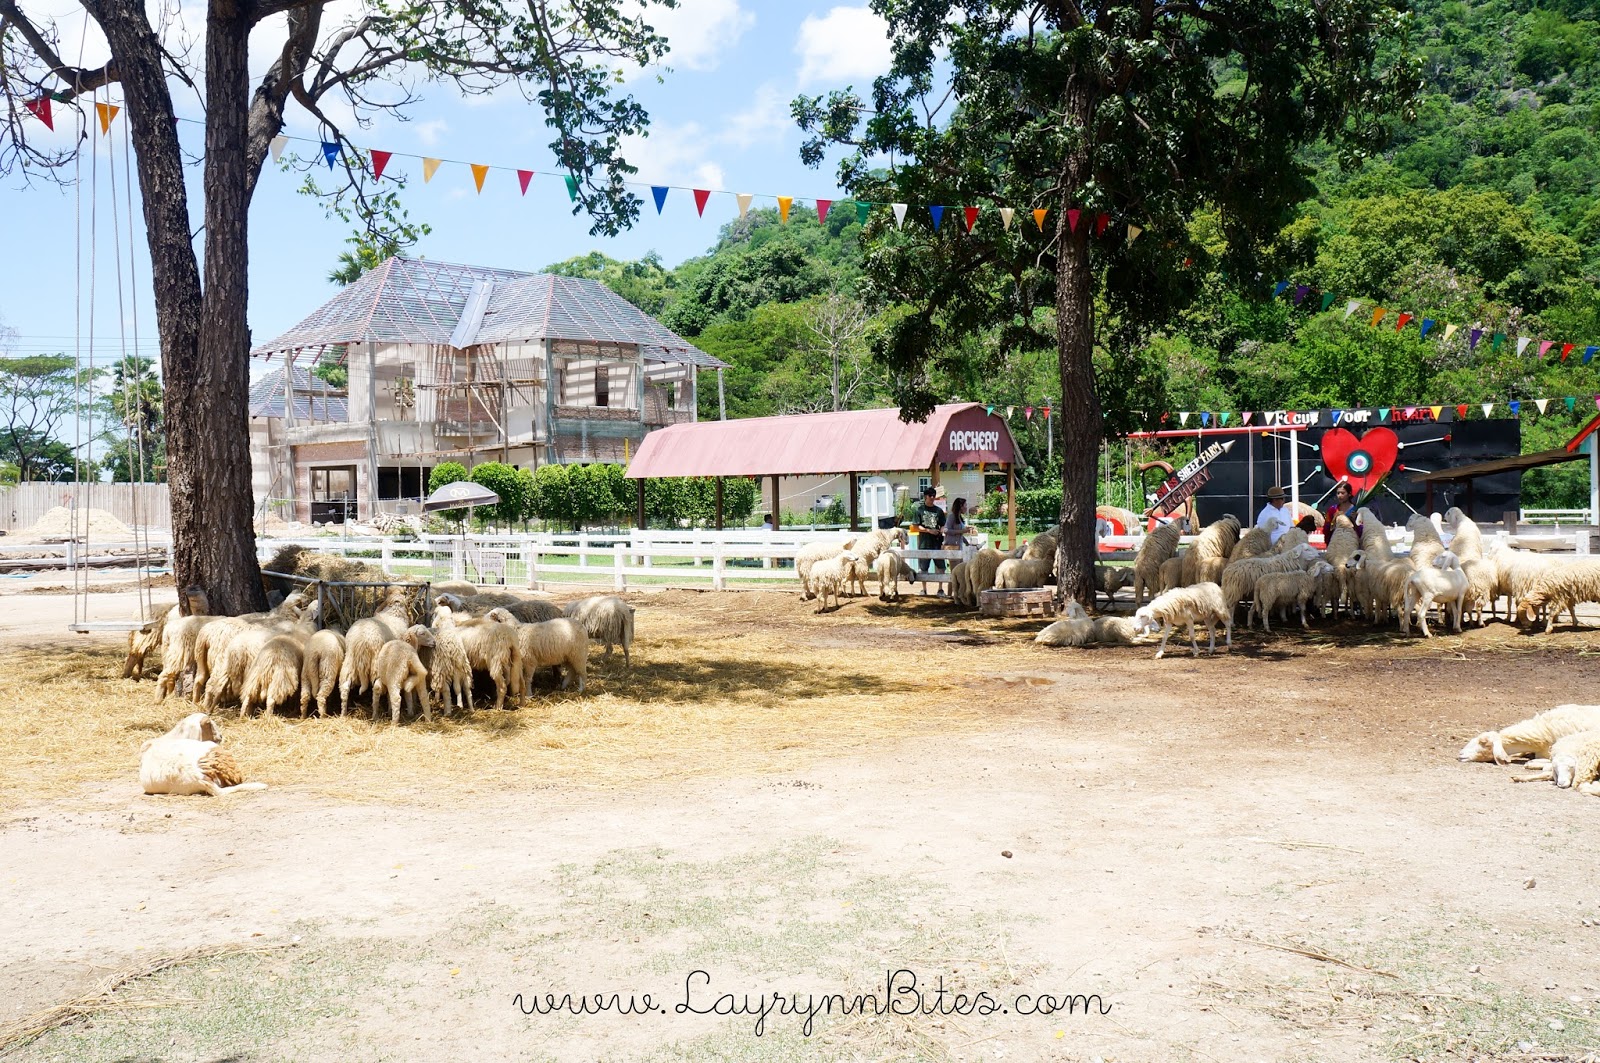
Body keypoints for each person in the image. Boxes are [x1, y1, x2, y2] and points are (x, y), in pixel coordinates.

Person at [913, 485, 946, 573]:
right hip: (924, 543)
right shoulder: (919, 510)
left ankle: (940, 586)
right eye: (930, 495)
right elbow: (916, 526)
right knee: (924, 568)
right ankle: (924, 587)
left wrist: (942, 529)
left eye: (934, 496)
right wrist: (929, 531)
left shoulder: (939, 511)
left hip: (937, 543)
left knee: (941, 567)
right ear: (925, 496)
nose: (932, 497)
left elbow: (943, 524)